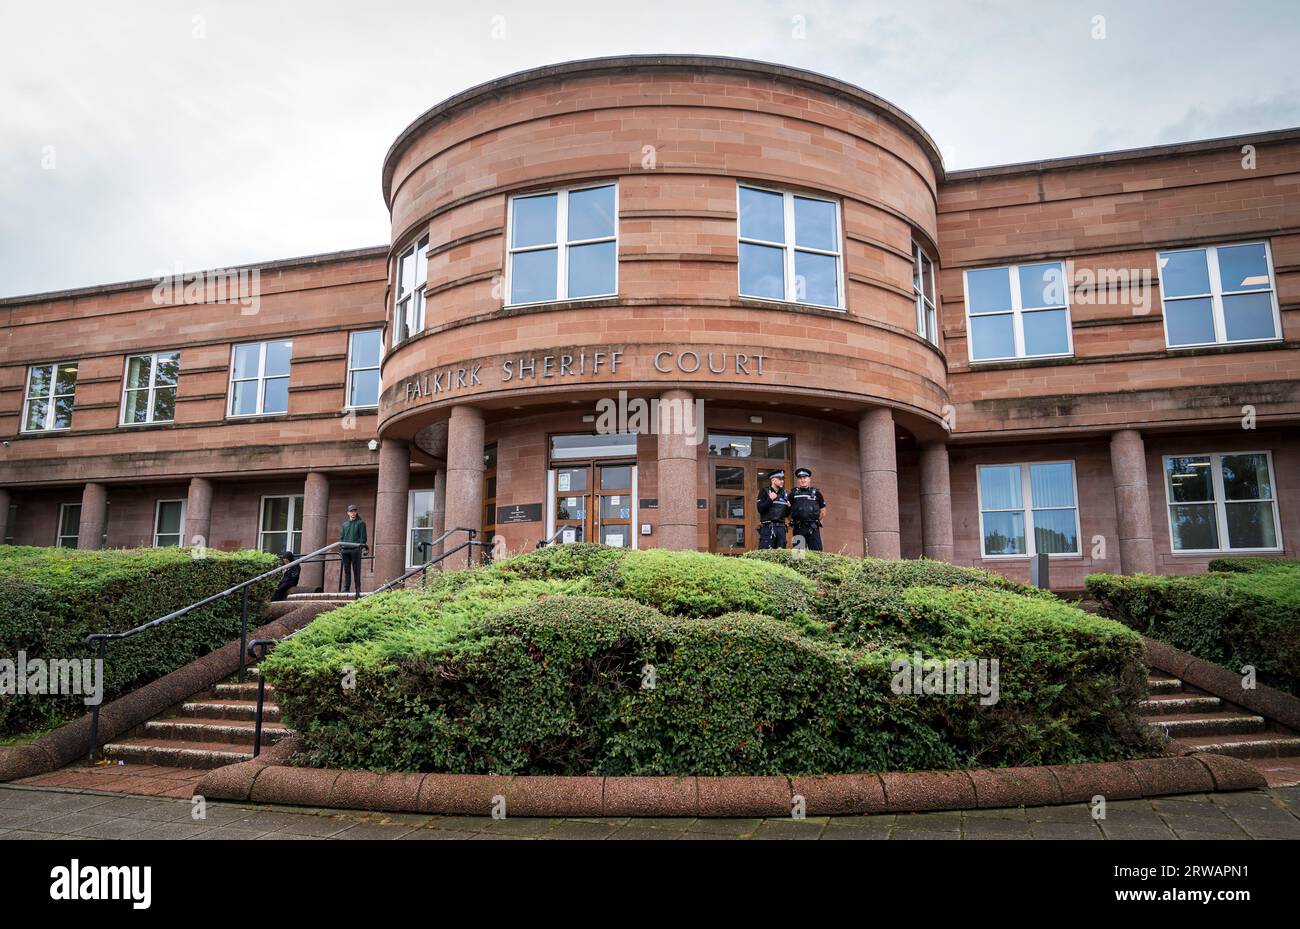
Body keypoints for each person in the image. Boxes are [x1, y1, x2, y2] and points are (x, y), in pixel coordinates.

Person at [788, 467, 827, 552]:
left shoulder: (817, 493)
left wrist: (815, 521)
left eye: (805, 478)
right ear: (798, 480)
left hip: (812, 528)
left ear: (809, 479)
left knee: (817, 553)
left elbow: (823, 511)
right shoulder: (793, 494)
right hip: (798, 527)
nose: (802, 480)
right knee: (798, 555)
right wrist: (793, 520)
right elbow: (788, 511)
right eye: (800, 478)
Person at [755, 468, 790, 550]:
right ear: (773, 480)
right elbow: (760, 509)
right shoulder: (764, 491)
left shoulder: (785, 493)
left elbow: (787, 514)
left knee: (780, 554)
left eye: (783, 479)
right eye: (779, 479)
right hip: (768, 527)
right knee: (766, 553)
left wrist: (789, 507)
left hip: (781, 528)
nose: (782, 481)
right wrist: (770, 500)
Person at [339, 504, 368, 594]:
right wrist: (341, 549)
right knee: (347, 570)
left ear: (356, 512)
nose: (353, 513)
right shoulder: (345, 524)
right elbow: (341, 537)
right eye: (351, 511)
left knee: (356, 570)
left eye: (354, 511)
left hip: (355, 550)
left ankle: (358, 588)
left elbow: (363, 538)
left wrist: (360, 547)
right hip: (345, 550)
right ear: (348, 513)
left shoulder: (361, 523)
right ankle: (346, 588)